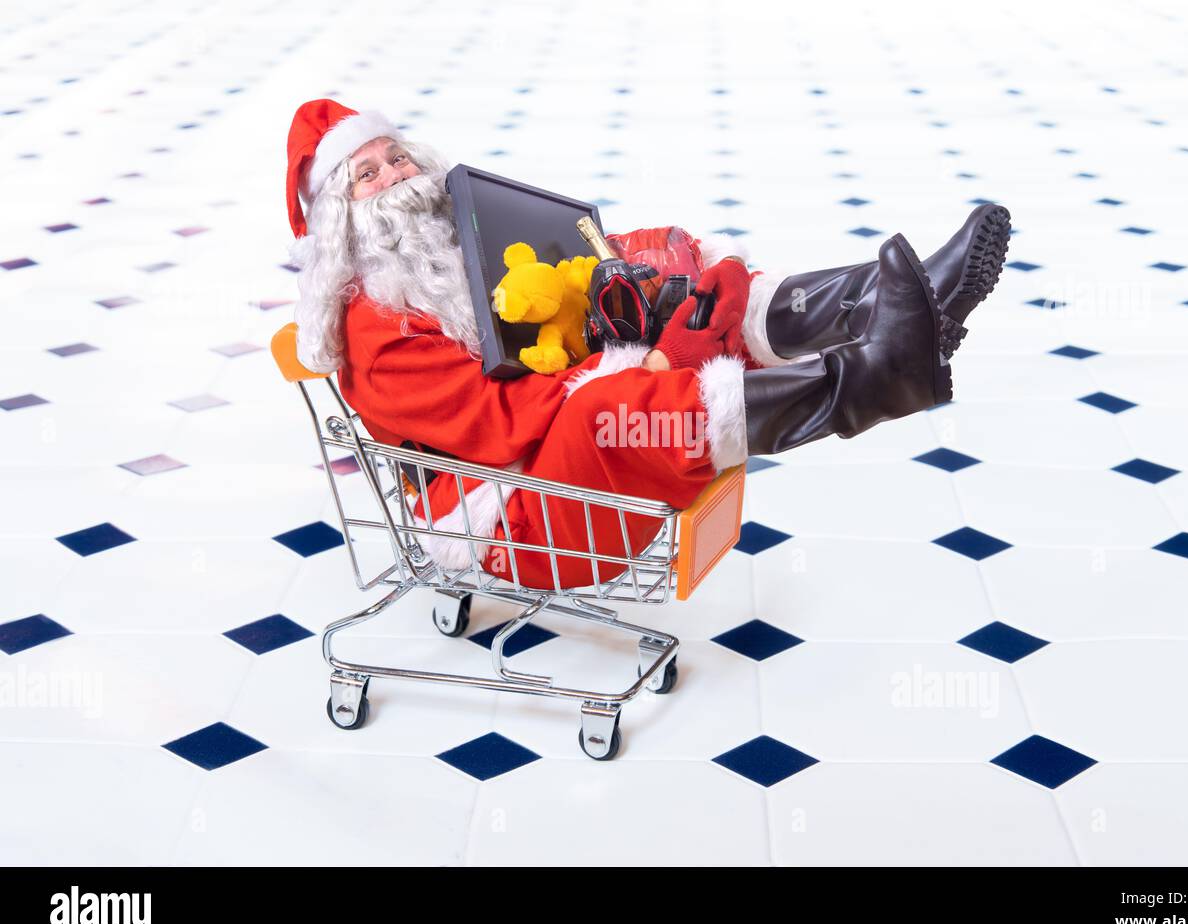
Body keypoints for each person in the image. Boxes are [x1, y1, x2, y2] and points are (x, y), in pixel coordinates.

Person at [284, 99, 1010, 588]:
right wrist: (642, 357)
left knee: (674, 277)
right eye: (366, 175)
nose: (396, 179)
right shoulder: (378, 332)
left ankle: (888, 301)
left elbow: (547, 326)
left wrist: (640, 295)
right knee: (612, 404)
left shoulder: (463, 254)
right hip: (509, 510)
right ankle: (879, 376)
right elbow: (496, 425)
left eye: (397, 158)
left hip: (553, 451)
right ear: (339, 222)